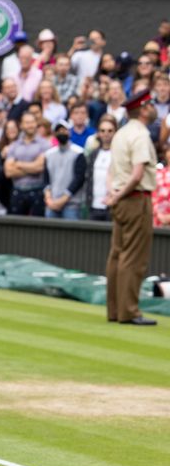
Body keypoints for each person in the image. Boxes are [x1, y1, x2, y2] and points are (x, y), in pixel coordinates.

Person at [105, 91, 158, 325]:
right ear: (144, 109)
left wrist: (113, 195)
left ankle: (115, 311)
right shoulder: (140, 135)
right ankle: (129, 311)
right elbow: (137, 174)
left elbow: (111, 170)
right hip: (135, 199)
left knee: (117, 254)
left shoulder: (120, 134)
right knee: (133, 258)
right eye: (151, 104)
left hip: (120, 198)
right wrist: (120, 196)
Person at [3, 110, 48, 216]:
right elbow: (8, 172)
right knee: (16, 229)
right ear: (21, 125)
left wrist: (18, 164)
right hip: (17, 191)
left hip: (37, 191)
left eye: (32, 122)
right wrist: (32, 167)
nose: (30, 125)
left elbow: (40, 167)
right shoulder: (14, 145)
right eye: (27, 123)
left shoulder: (44, 144)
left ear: (36, 124)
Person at [43, 120, 86, 218]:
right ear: (54, 134)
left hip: (72, 204)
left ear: (69, 132)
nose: (62, 133)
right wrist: (48, 198)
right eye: (58, 131)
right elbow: (46, 179)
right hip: (52, 203)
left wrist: (63, 199)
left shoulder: (78, 152)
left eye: (64, 130)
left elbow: (79, 179)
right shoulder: (49, 154)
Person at [84, 114, 117, 220]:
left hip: (112, 206)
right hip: (93, 205)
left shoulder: (119, 154)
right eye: (102, 131)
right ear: (98, 133)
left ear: (115, 132)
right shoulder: (93, 154)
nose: (106, 134)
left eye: (110, 131)